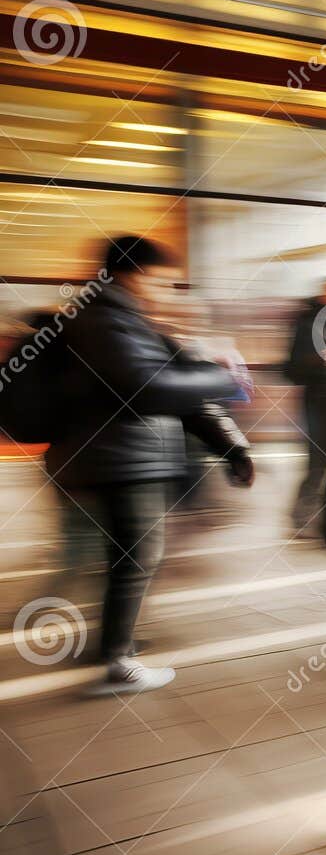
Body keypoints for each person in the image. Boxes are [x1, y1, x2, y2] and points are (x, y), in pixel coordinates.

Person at [46, 236, 254, 695]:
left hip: (119, 458)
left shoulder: (121, 319)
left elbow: (181, 396)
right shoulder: (105, 320)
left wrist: (231, 447)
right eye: (161, 281)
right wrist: (223, 373)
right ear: (132, 274)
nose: (165, 292)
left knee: (127, 558)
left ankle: (115, 645)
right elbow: (150, 388)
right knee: (138, 557)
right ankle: (118, 661)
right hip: (119, 459)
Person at [284, 276, 326, 534]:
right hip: (318, 402)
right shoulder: (306, 323)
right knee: (317, 464)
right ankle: (302, 516)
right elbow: (290, 369)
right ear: (325, 293)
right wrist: (321, 359)